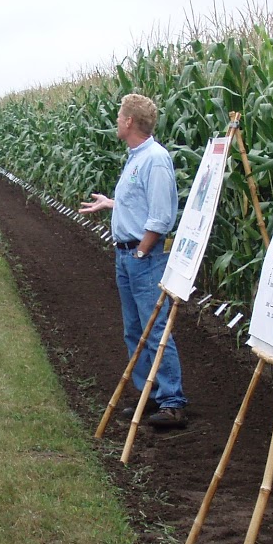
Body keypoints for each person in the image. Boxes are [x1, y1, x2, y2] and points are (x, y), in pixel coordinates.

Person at [79, 94, 189, 429]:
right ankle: (149, 395)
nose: (116, 121)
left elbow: (161, 215)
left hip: (144, 259)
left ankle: (172, 402)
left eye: (119, 116)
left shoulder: (155, 159)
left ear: (129, 121)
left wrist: (141, 251)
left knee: (155, 330)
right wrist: (110, 203)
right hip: (126, 256)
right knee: (134, 330)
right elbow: (139, 203)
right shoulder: (136, 158)